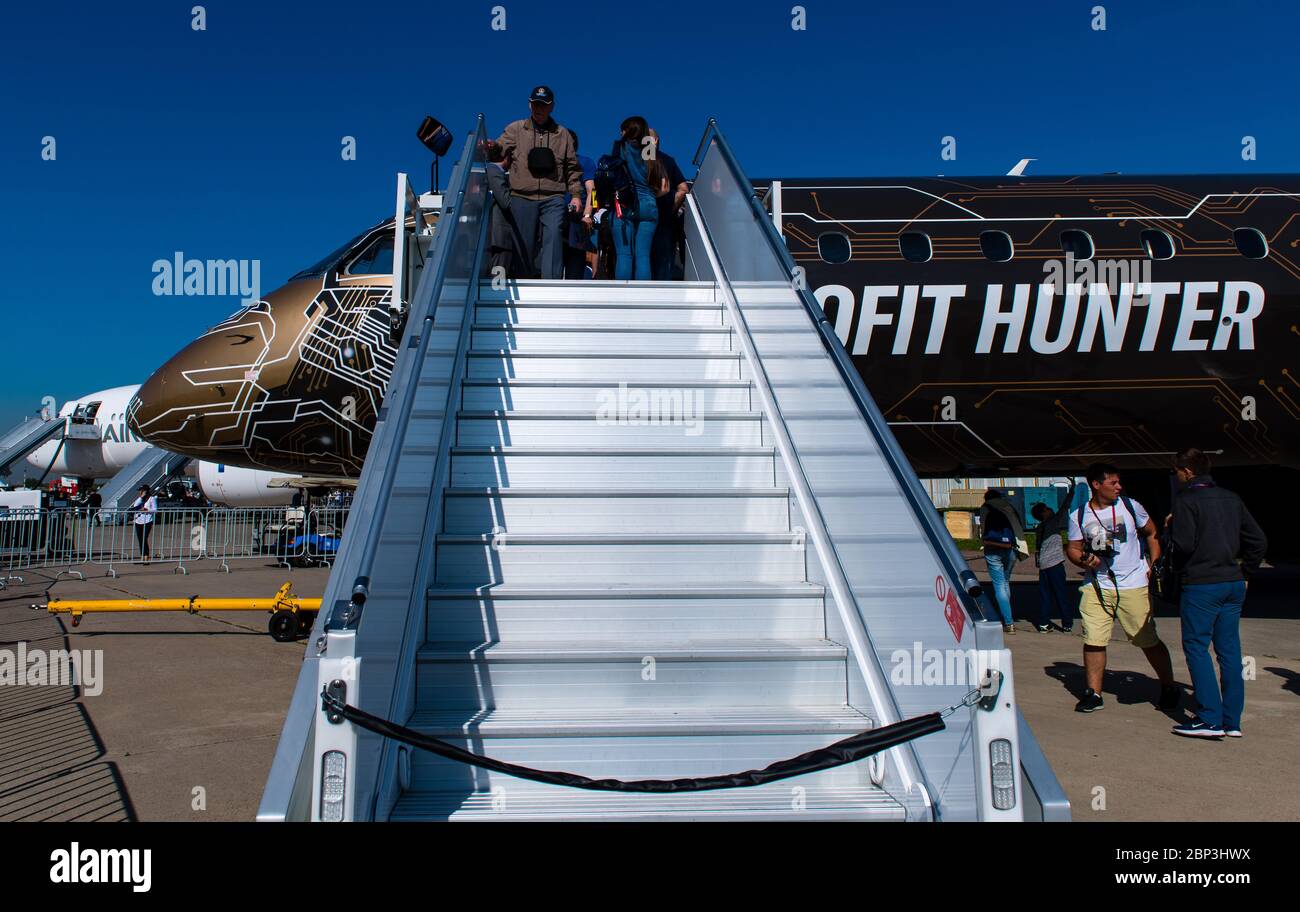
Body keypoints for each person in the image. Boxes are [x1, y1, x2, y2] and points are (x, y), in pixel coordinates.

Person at [1167, 448, 1268, 739]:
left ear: (1187, 471)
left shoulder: (1186, 500)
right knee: (1229, 650)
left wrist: (1170, 529)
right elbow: (1258, 541)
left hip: (1201, 584)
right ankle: (1232, 720)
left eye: (1176, 471)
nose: (1176, 476)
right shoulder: (1231, 498)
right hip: (1232, 582)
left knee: (1197, 647)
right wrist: (1246, 572)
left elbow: (1184, 545)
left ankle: (1209, 718)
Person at [1065, 463, 1179, 713]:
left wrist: (1154, 563)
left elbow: (1152, 532)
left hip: (1133, 584)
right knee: (1093, 639)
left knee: (1146, 639)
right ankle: (1093, 694)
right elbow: (1072, 547)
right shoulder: (1080, 515)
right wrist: (1083, 559)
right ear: (1096, 485)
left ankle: (1169, 686)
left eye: (1119, 482)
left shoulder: (1130, 506)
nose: (1119, 487)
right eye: (1113, 483)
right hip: (1097, 585)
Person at [496, 86, 586, 279]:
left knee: (553, 237)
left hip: (553, 196)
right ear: (530, 104)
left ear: (551, 106)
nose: (539, 109)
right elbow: (499, 149)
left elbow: (572, 168)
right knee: (523, 244)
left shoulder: (563, 135)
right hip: (521, 196)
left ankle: (551, 286)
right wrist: (490, 147)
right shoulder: (516, 128)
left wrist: (577, 195)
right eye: (536, 104)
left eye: (544, 105)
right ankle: (524, 285)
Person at [608, 116, 663, 281]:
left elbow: (614, 171)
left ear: (626, 131)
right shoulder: (649, 149)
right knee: (643, 255)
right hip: (648, 203)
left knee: (624, 254)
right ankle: (644, 297)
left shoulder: (621, 147)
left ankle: (623, 296)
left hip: (626, 203)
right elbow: (657, 179)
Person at [979, 489, 1026, 634]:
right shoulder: (1008, 506)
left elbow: (983, 526)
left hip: (992, 548)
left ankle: (1008, 621)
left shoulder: (986, 508)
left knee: (999, 585)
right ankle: (1008, 617)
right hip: (1009, 548)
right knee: (1005, 582)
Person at [647, 128, 690, 280]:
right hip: (665, 221)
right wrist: (671, 210)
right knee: (663, 267)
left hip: (640, 220)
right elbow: (683, 189)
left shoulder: (634, 159)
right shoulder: (668, 160)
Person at [483, 140, 526, 279]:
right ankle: (495, 299)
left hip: (499, 238)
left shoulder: (490, 171)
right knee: (497, 282)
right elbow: (506, 201)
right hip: (499, 238)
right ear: (506, 157)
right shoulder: (494, 171)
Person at [1031, 501, 1074, 632]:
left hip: (1044, 565)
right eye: (1048, 508)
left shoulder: (1039, 528)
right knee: (1061, 593)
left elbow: (1038, 547)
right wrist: (1072, 489)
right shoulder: (1053, 521)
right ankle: (1067, 623)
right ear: (1044, 512)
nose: (1051, 509)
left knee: (1045, 595)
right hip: (1055, 564)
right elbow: (1064, 506)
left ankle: (1044, 623)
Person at [562, 131, 597, 280]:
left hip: (578, 219)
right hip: (555, 215)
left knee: (575, 265)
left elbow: (594, 191)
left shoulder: (585, 162)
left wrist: (589, 214)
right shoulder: (554, 163)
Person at [130, 484, 157, 564]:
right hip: (138, 521)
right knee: (140, 539)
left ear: (145, 491)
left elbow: (155, 510)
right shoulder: (140, 499)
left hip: (147, 521)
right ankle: (142, 557)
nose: (140, 492)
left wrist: (146, 510)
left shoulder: (152, 499)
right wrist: (141, 497)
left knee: (144, 539)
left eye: (141, 490)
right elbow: (135, 506)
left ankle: (146, 557)